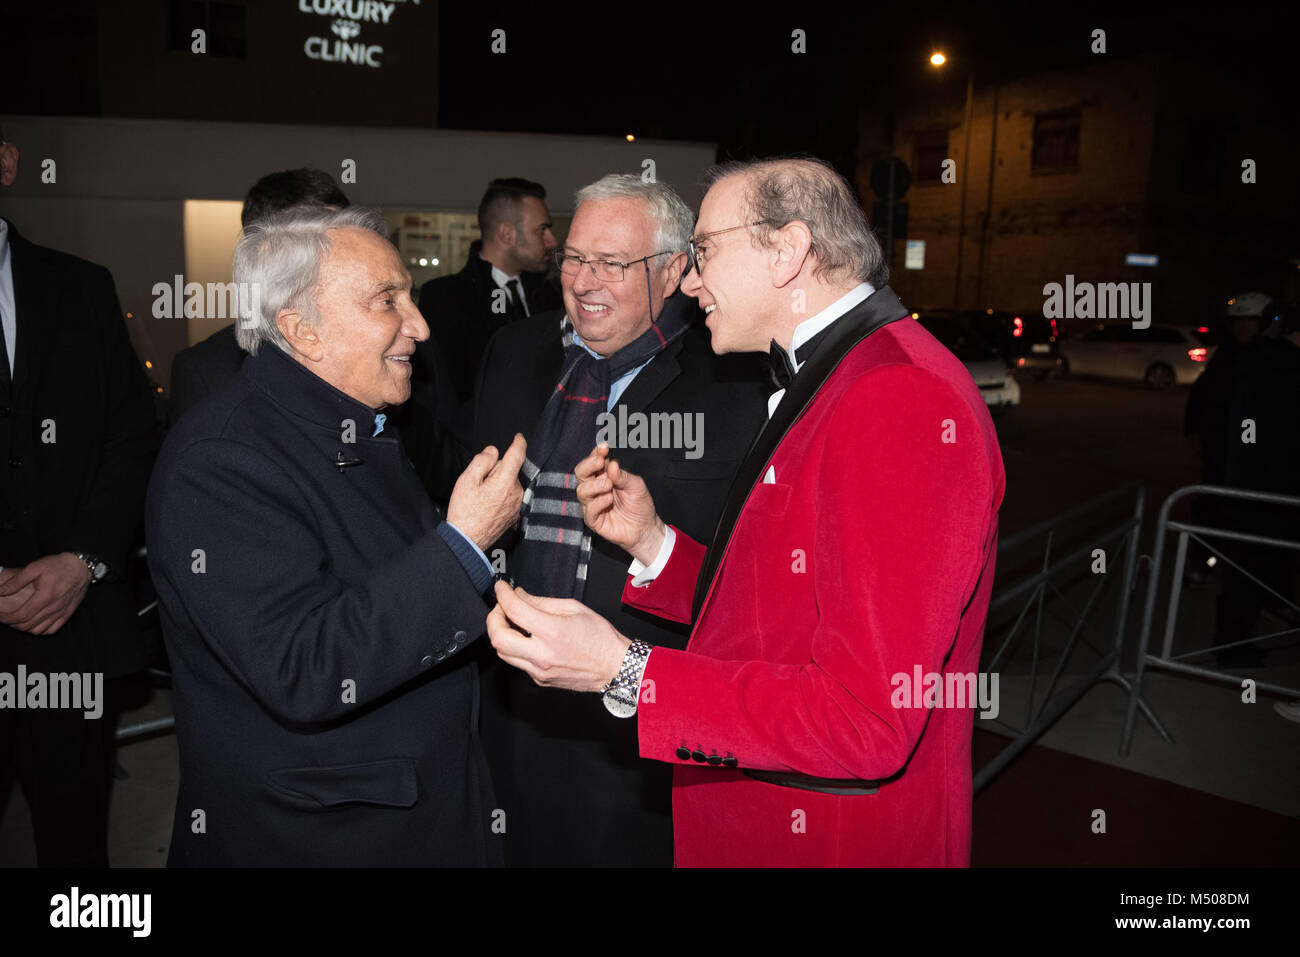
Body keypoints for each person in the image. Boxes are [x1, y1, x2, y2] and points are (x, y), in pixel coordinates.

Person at [485, 156, 1005, 867]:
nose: (689, 281)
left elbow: (865, 719)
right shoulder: (838, 370)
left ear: (788, 251)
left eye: (705, 252)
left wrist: (624, 668)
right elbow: (786, 608)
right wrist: (655, 543)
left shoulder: (898, 397)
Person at [145, 206, 526, 865]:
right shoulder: (221, 460)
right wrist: (463, 544)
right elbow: (305, 666)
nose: (421, 325)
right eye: (387, 300)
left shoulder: (355, 424)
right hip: (323, 836)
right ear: (302, 331)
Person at [472, 174, 768, 866]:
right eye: (574, 257)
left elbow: (750, 581)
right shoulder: (514, 354)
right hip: (505, 701)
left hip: (633, 727)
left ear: (673, 270)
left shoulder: (735, 384)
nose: (583, 280)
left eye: (613, 262)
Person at [0, 126, 159, 866]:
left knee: (77, 843)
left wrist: (83, 559)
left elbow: (131, 435)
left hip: (71, 627)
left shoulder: (80, 285)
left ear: (5, 163)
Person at [170, 167, 462, 505]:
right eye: (323, 235)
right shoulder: (214, 406)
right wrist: (458, 544)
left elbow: (446, 468)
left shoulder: (397, 359)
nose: (419, 328)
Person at [418, 177, 562, 437]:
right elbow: (443, 404)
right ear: (506, 234)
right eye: (542, 230)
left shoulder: (553, 296)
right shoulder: (446, 299)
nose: (552, 241)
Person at [1212, 298, 1300, 672]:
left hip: (1259, 489)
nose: (1242, 328)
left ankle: (1240, 637)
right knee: (1244, 570)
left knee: (1253, 567)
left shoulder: (1267, 360)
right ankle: (1232, 648)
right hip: (1258, 491)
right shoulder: (1269, 364)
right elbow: (1241, 427)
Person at [1183, 292, 1270, 585]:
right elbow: (1201, 394)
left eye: (1250, 320)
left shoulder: (1273, 359)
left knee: (1252, 517)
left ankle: (1249, 575)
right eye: (1238, 321)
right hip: (1220, 454)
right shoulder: (1226, 355)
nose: (1242, 327)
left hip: (1257, 459)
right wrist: (1194, 430)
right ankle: (1203, 563)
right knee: (1210, 509)